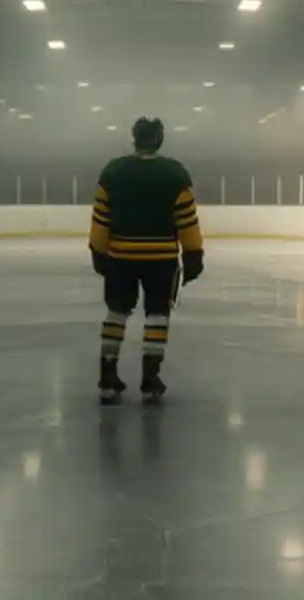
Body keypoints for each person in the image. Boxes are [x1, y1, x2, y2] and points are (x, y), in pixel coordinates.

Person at [88, 117, 205, 403]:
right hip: (161, 260)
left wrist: (98, 251)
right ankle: (151, 380)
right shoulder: (175, 174)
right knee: (157, 315)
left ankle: (108, 376)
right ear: (159, 140)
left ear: (134, 138)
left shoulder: (113, 172)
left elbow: (101, 218)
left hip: (121, 258)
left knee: (116, 313)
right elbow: (187, 220)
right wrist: (193, 254)